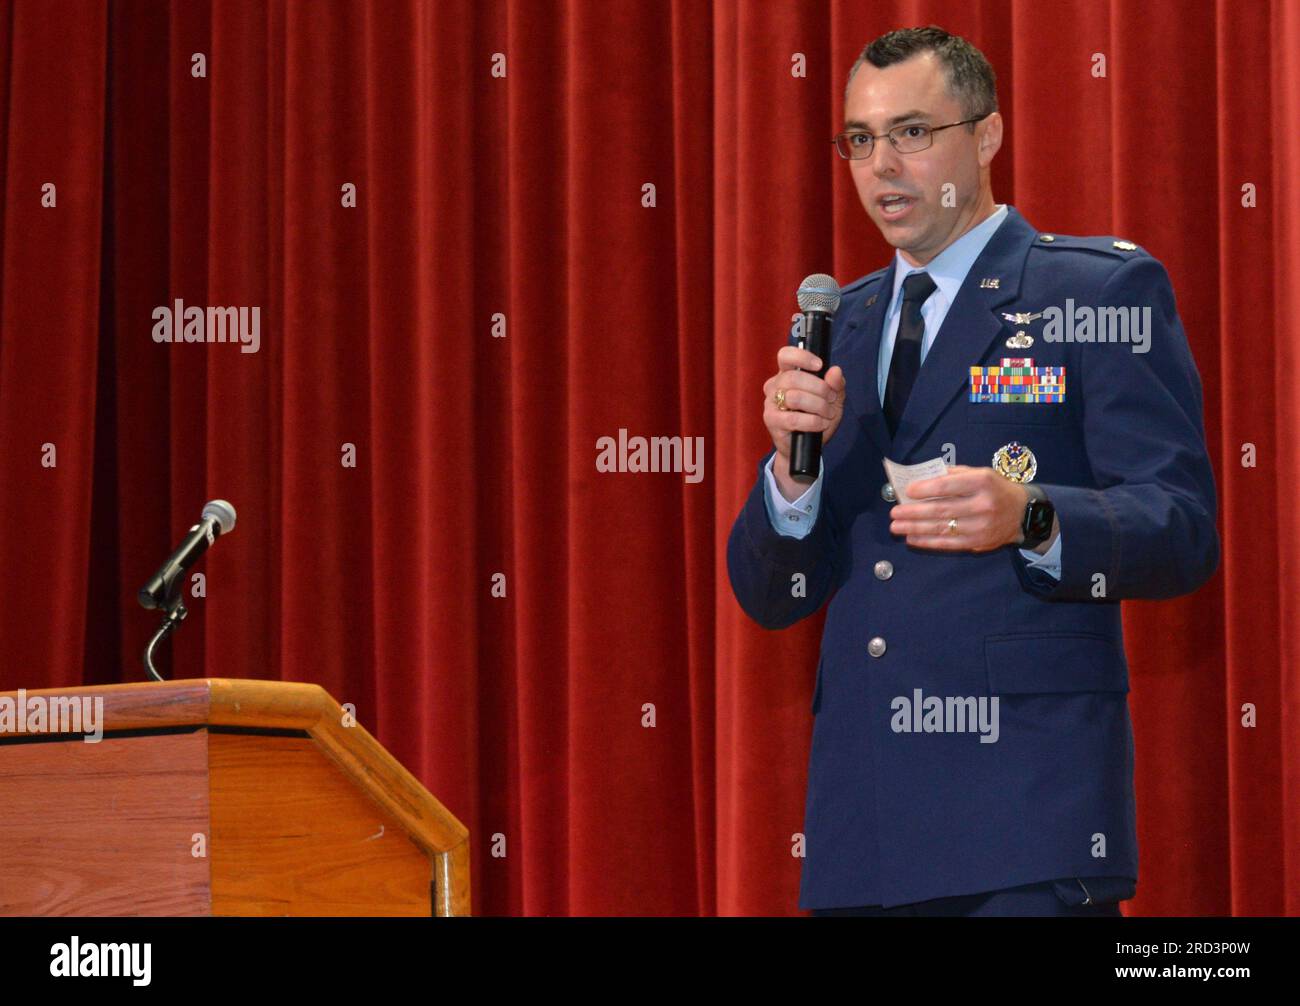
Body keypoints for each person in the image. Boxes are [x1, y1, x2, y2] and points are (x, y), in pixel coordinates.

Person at [725, 26, 1219, 917]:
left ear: (985, 138)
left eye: (912, 133)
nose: (882, 166)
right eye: (861, 140)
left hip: (1025, 825)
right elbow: (775, 596)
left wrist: (1033, 516)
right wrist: (790, 480)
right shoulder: (849, 322)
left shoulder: (1092, 294)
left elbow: (1181, 529)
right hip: (865, 836)